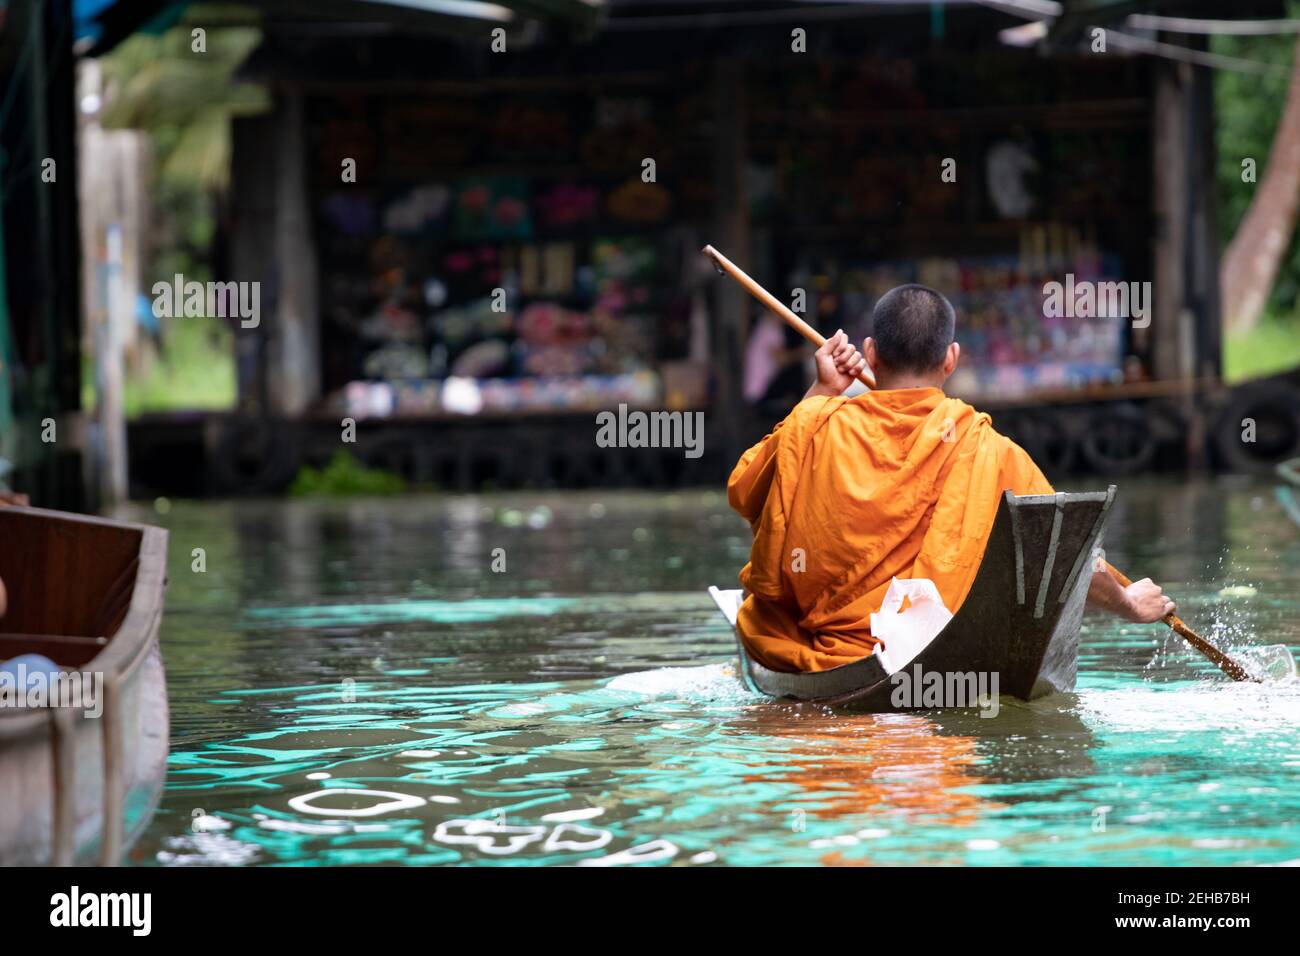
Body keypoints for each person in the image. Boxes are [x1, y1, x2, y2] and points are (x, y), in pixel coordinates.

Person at [727, 283, 1174, 673]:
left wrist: (821, 393)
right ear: (951, 359)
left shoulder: (817, 425)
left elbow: (746, 490)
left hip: (829, 653)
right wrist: (1129, 604)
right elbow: (1062, 550)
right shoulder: (988, 448)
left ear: (870, 354)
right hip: (938, 655)